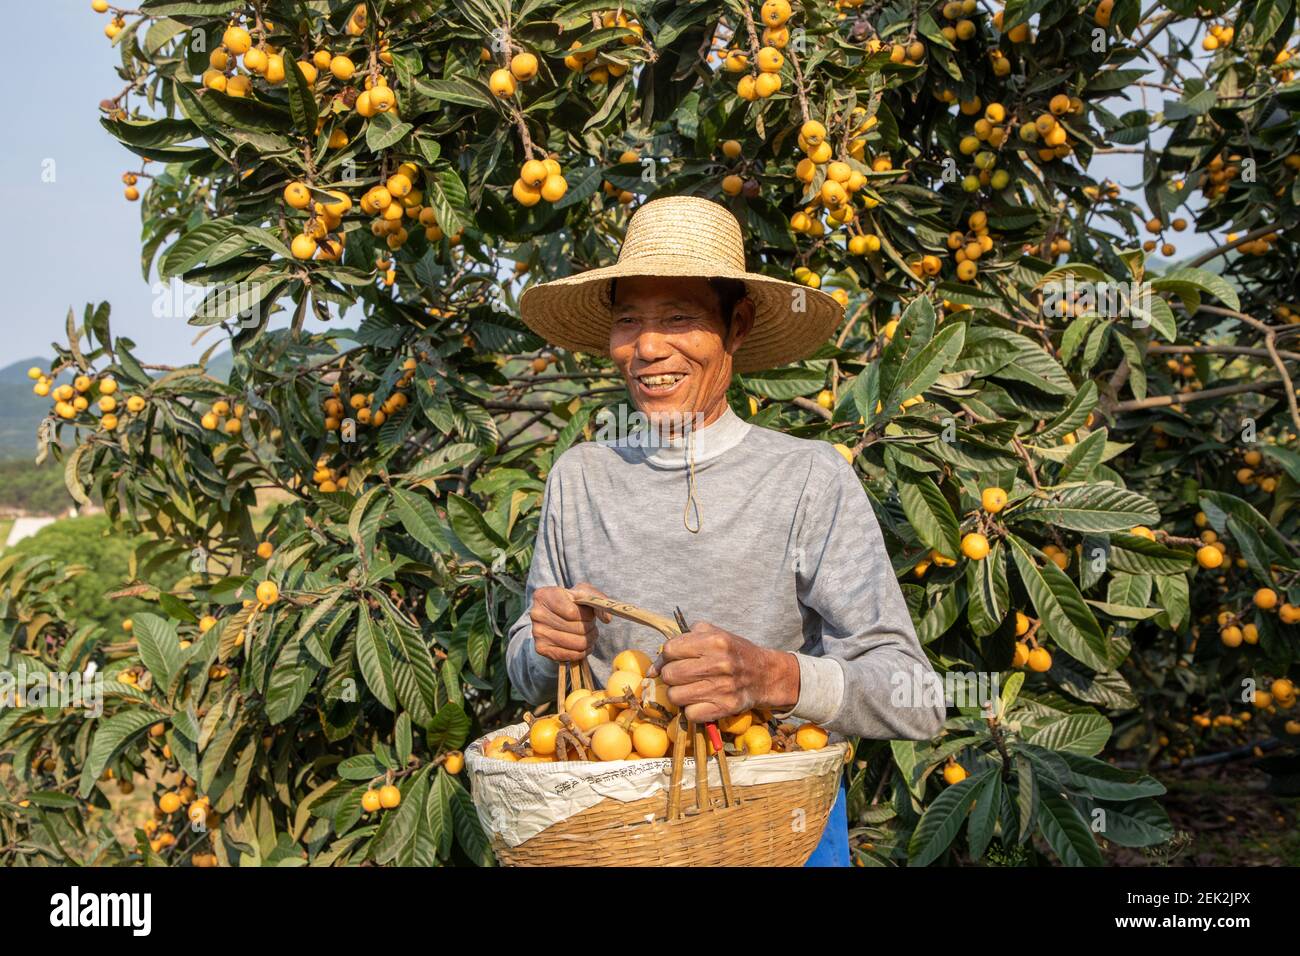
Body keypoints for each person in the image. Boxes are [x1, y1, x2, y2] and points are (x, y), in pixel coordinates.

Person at [506, 195, 946, 865]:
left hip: (775, 832)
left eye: (678, 317)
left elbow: (916, 697)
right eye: (629, 321)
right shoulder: (580, 476)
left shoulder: (809, 479)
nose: (647, 347)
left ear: (735, 327)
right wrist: (546, 645)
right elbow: (527, 672)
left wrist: (775, 678)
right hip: (612, 833)